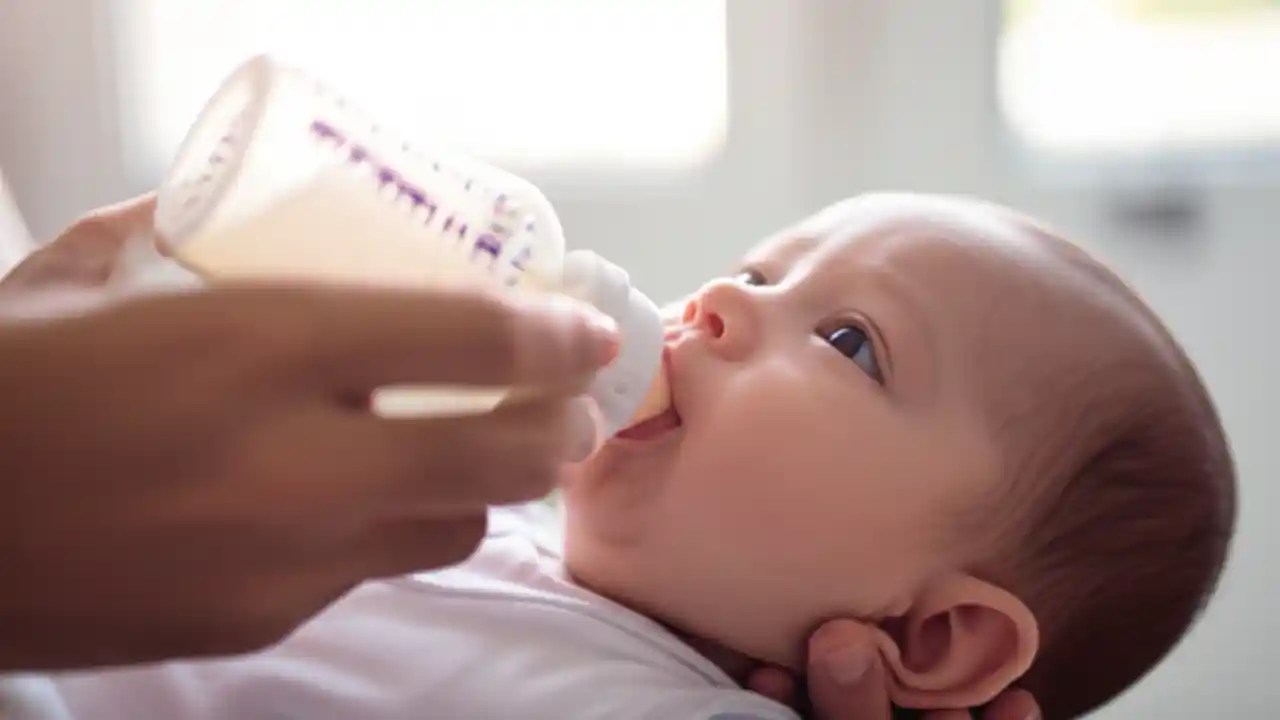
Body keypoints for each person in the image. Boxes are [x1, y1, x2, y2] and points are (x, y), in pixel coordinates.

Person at [30, 192, 1231, 719]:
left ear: (934, 639)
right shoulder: (483, 522)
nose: (716, 300)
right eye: (761, 269)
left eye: (849, 340)